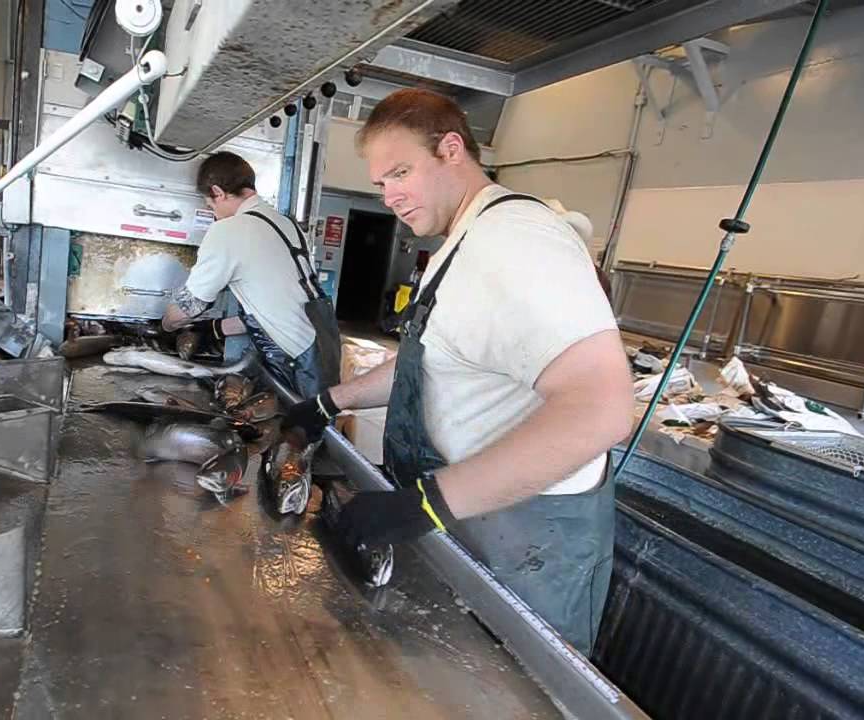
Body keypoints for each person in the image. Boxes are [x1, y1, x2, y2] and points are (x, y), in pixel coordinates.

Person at [282, 89, 634, 656]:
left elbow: (602, 409)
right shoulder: (462, 242)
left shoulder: (517, 239)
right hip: (476, 509)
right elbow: (427, 363)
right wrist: (329, 403)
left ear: (451, 149)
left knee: (520, 688)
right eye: (380, 184)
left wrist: (425, 505)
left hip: (528, 534)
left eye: (401, 172)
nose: (391, 195)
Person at [162, 151, 338, 398]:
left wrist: (165, 325)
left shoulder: (228, 230)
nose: (213, 212)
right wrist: (213, 328)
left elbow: (189, 305)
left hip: (296, 360)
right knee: (315, 425)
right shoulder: (286, 223)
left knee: (295, 429)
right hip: (324, 348)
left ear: (218, 192)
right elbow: (273, 310)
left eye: (210, 204)